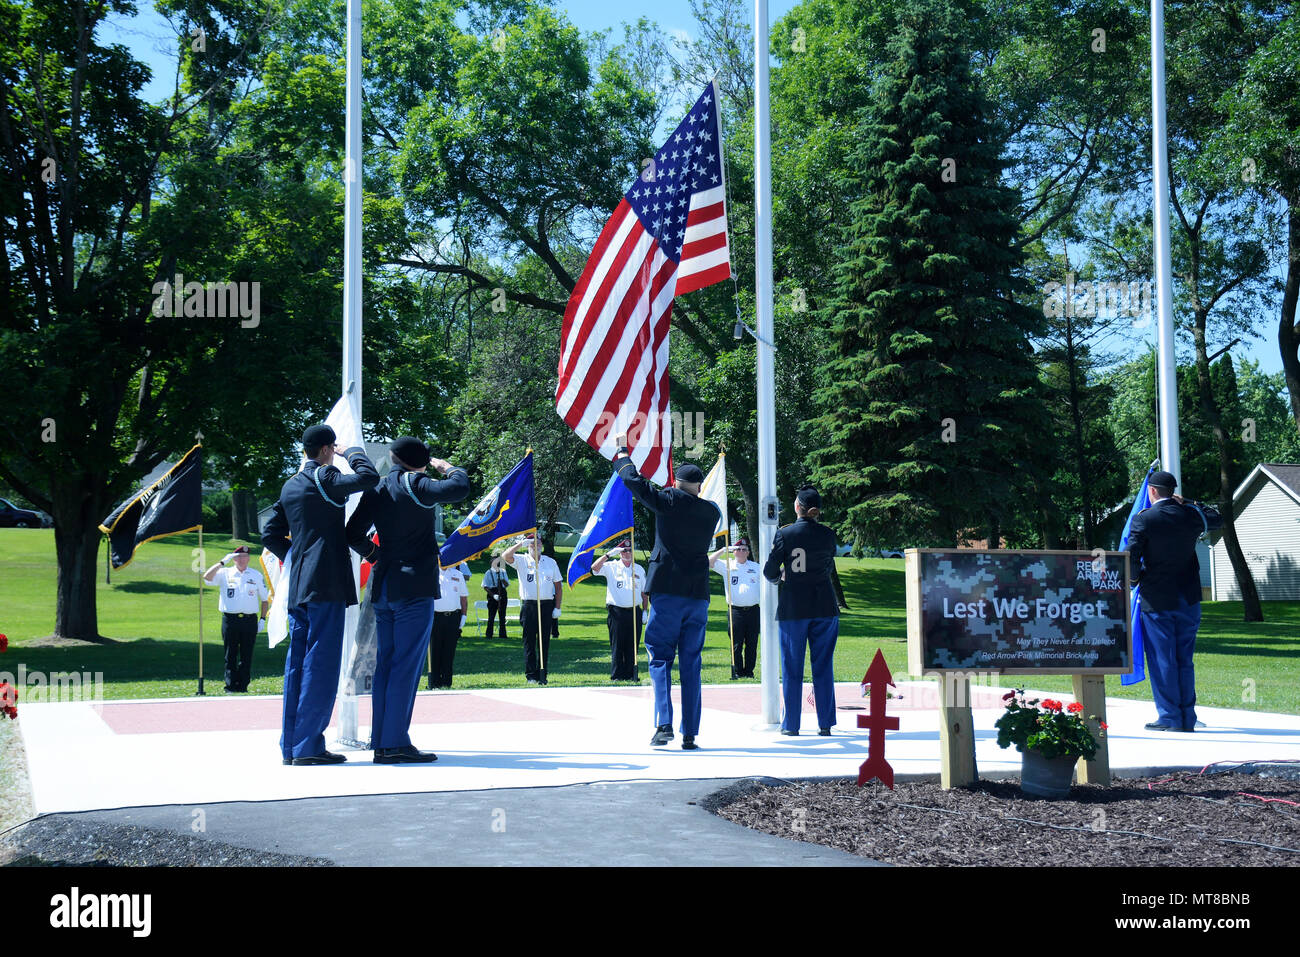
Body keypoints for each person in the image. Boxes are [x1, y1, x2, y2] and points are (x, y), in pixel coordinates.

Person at [344, 436, 469, 763]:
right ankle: (394, 742)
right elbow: (459, 487)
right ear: (422, 461)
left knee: (386, 665)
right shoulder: (419, 484)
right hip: (414, 588)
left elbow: (353, 534)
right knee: (405, 667)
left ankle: (381, 738)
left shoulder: (379, 488)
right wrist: (448, 467)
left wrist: (378, 555)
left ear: (394, 457)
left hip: (384, 585)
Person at [263, 424, 379, 765]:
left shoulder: (291, 485)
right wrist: (352, 453)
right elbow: (368, 477)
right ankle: (309, 746)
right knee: (321, 664)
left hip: (299, 584)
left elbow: (270, 534)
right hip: (325, 582)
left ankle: (292, 745)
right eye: (334, 449)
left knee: (297, 666)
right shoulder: (325, 478)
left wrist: (297, 555)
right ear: (327, 449)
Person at [614, 443, 720, 750]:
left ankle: (664, 724)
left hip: (668, 590)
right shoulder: (711, 511)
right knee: (691, 662)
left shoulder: (670, 500)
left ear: (676, 483)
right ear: (699, 486)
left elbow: (636, 483)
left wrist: (623, 457)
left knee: (659, 657)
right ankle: (690, 733)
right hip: (697, 593)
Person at [1125, 470, 1223, 733]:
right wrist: (1189, 502)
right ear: (1172, 492)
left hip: (1157, 599)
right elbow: (1217, 517)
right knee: (1184, 660)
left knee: (1162, 659)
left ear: (1152, 491)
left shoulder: (1144, 519)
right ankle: (1187, 717)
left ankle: (1169, 717)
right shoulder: (1190, 516)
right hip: (1189, 598)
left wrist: (1135, 580)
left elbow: (1130, 556)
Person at [762, 485, 839, 736]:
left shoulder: (785, 533)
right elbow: (827, 566)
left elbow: (770, 571)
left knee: (792, 667)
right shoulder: (828, 535)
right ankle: (825, 723)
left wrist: (780, 577)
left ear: (797, 507)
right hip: (825, 605)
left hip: (795, 606)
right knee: (823, 666)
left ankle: (791, 725)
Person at [202, 544, 268, 692]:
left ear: (249, 558)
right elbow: (206, 577)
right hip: (230, 620)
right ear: (233, 559)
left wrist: (262, 620)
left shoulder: (255, 575)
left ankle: (243, 685)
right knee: (230, 653)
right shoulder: (225, 573)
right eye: (239, 557)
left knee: (247, 654)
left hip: (249, 620)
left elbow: (265, 600)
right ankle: (230, 685)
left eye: (245, 556)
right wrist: (221, 562)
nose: (242, 559)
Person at [501, 535, 563, 684]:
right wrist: (520, 544)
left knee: (544, 642)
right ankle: (531, 675)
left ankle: (543, 674)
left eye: (538, 542)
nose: (536, 546)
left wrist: (557, 607)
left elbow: (558, 586)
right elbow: (505, 556)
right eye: (532, 543)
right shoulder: (522, 560)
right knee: (529, 642)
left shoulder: (550, 562)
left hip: (547, 605)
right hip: (529, 606)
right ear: (528, 545)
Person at [591, 540, 647, 681]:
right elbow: (594, 568)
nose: (627, 553)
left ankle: (631, 674)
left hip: (635, 611)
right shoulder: (611, 567)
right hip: (617, 612)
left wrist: (645, 611)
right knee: (617, 645)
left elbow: (644, 593)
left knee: (632, 645)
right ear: (619, 553)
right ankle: (617, 675)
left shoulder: (639, 569)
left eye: (629, 550)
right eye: (624, 551)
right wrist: (609, 554)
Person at [708, 538, 761, 679]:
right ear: (734, 552)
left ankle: (749, 672)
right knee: (736, 643)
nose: (741, 552)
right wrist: (723, 550)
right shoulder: (727, 565)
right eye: (738, 549)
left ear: (748, 553)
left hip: (753, 610)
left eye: (744, 550)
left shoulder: (756, 567)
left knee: (752, 643)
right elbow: (709, 562)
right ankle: (737, 671)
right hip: (735, 611)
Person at [428, 562, 469, 689]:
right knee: (435, 650)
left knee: (449, 650)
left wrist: (464, 616)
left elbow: (463, 598)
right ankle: (434, 682)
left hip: (453, 617)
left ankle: (446, 681)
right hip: (436, 617)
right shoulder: (431, 573)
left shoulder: (458, 574)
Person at [480, 556, 510, 640]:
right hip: (492, 593)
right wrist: (493, 595)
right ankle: (489, 634)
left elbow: (507, 584)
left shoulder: (503, 571)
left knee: (502, 615)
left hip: (503, 592)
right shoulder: (488, 572)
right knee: (491, 615)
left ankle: (503, 634)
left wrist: (502, 579)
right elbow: (485, 586)